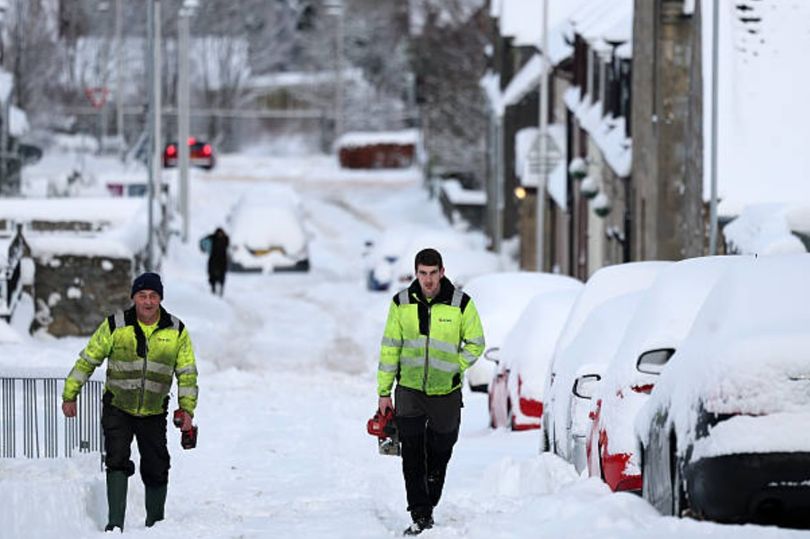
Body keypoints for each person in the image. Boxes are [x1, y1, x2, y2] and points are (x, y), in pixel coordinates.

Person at [62, 272, 198, 532]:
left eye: (153, 296)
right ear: (134, 297)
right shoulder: (115, 325)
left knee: (157, 465)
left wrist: (187, 409)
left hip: (154, 410)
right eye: (142, 296)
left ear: (160, 299)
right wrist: (70, 393)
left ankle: (155, 523)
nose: (147, 302)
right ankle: (115, 524)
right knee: (116, 459)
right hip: (118, 407)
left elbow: (187, 373)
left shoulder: (176, 330)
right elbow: (88, 360)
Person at [377, 248, 485, 535]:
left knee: (441, 451)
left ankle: (429, 500)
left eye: (432, 273)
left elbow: (476, 343)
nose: (427, 280)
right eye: (422, 274)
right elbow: (390, 348)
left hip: (446, 393)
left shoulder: (461, 304)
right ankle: (421, 515)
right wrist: (384, 392)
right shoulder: (401, 303)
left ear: (442, 272)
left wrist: (455, 366)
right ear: (416, 273)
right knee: (411, 454)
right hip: (409, 391)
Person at [204, 227, 229, 295]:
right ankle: (213, 288)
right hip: (214, 259)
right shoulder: (213, 238)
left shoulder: (226, 239)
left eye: (221, 233)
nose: (220, 235)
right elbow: (205, 241)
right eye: (219, 233)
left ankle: (221, 289)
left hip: (222, 260)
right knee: (212, 275)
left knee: (221, 276)